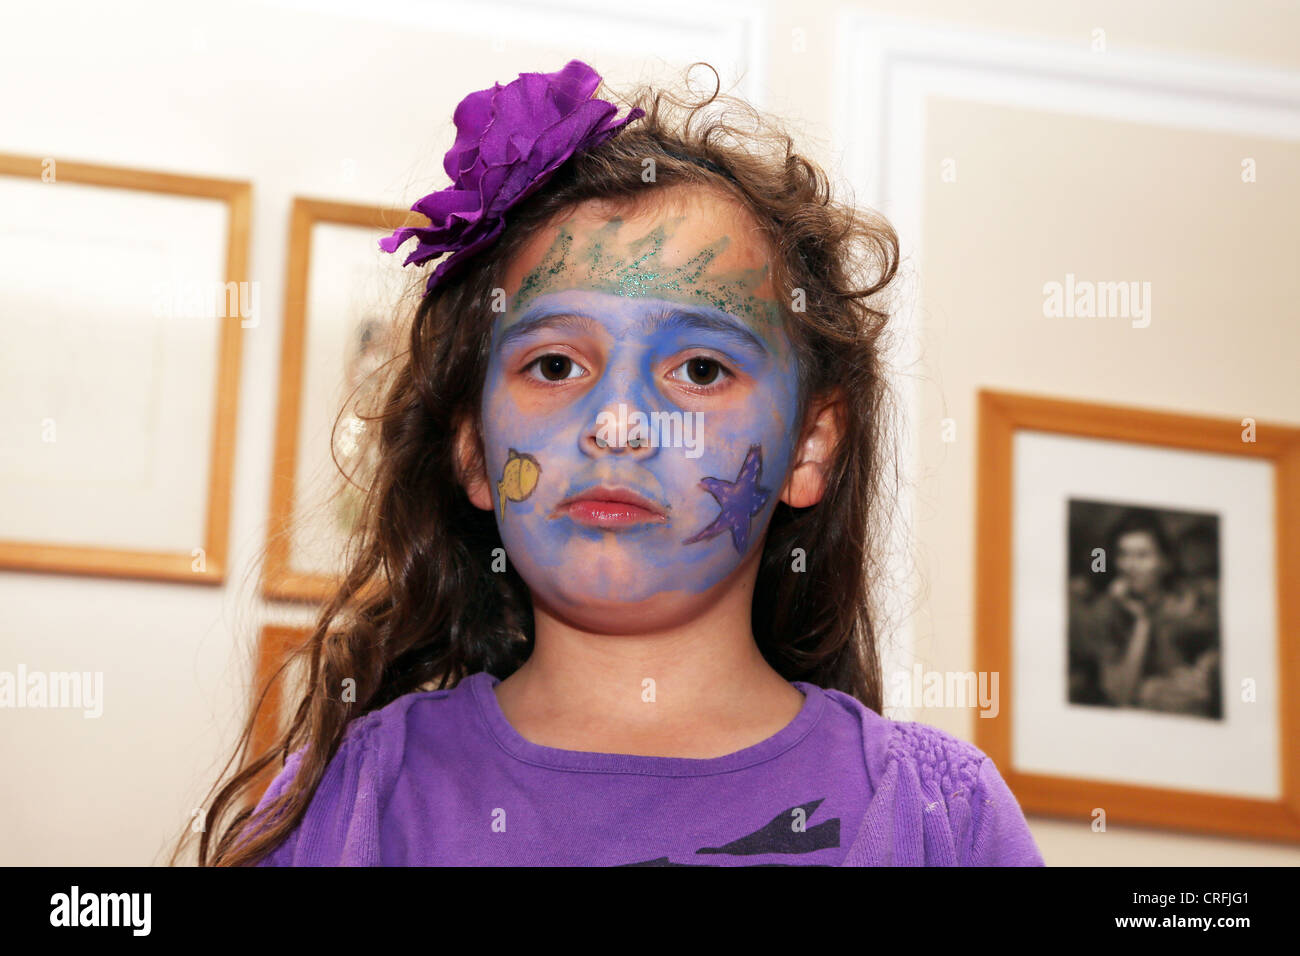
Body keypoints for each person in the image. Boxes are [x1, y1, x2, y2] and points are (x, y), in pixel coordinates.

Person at [174, 60, 1044, 866]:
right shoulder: (356, 794)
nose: (621, 427)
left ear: (809, 447)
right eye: (555, 366)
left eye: (701, 370)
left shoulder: (945, 822)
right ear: (474, 450)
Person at [1069, 508, 1221, 718]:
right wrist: (1142, 622)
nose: (1130, 566)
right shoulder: (1107, 610)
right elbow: (1121, 695)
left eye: (1142, 555)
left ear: (1165, 562)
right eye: (1123, 554)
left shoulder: (1189, 604)